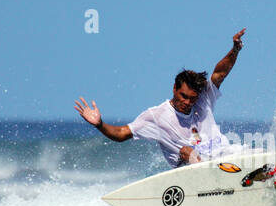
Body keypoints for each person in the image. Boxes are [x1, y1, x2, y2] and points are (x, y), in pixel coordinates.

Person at [74, 29, 245, 167]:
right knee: (186, 151)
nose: (187, 102)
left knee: (254, 154)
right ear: (174, 89)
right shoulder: (157, 116)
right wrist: (100, 124)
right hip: (192, 171)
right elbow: (121, 133)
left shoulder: (203, 98)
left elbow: (220, 73)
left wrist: (235, 50)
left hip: (223, 158)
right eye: (183, 96)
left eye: (192, 98)